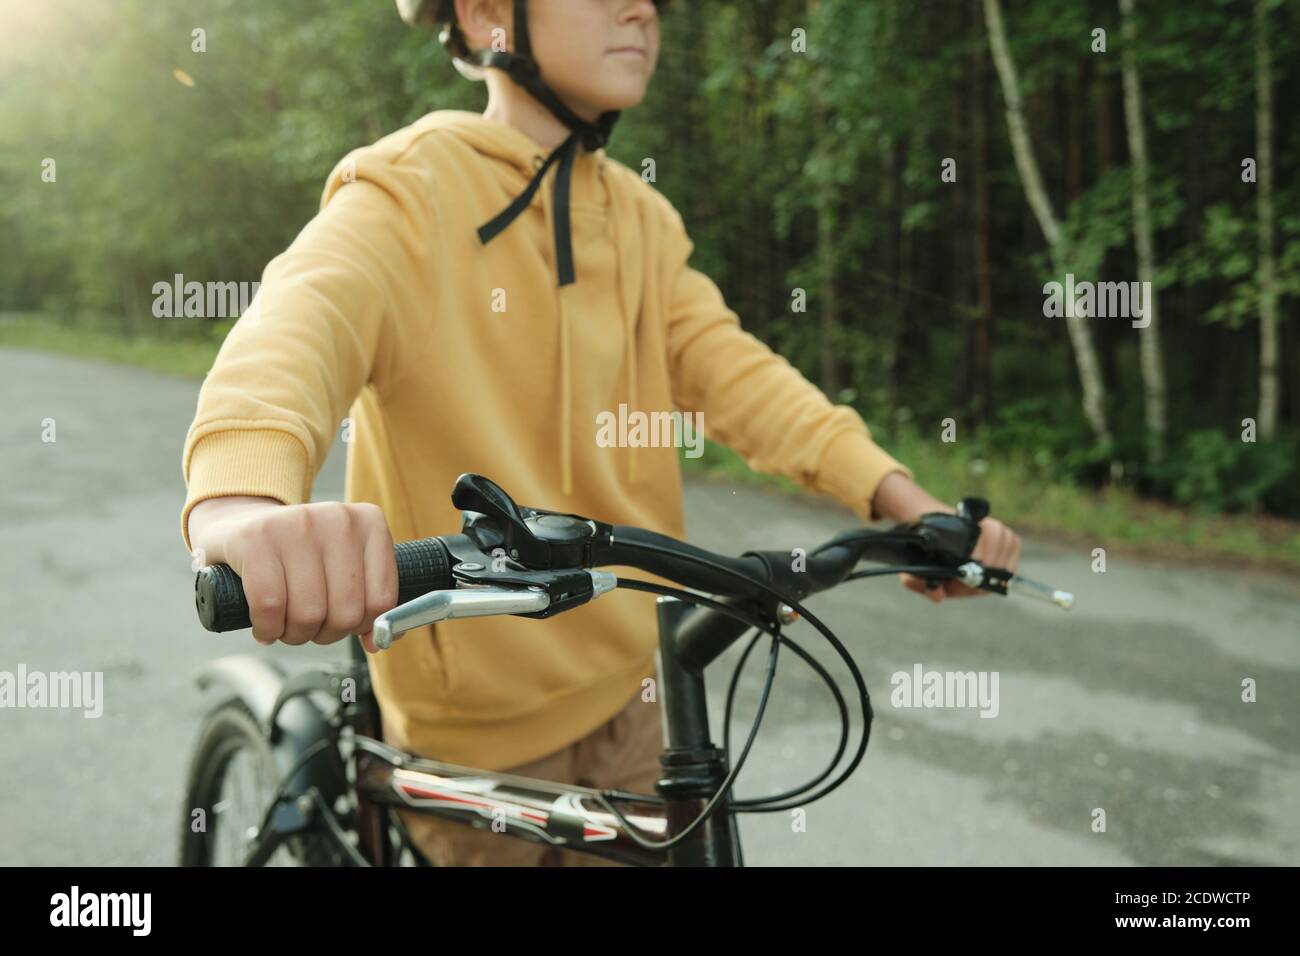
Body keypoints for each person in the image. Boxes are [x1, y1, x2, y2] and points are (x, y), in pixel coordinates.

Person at [180, 0, 1021, 866]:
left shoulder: (644, 221)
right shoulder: (409, 189)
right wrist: (244, 501)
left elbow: (742, 377)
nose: (642, 10)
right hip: (476, 726)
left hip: (643, 691)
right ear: (483, 16)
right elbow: (297, 325)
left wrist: (902, 501)